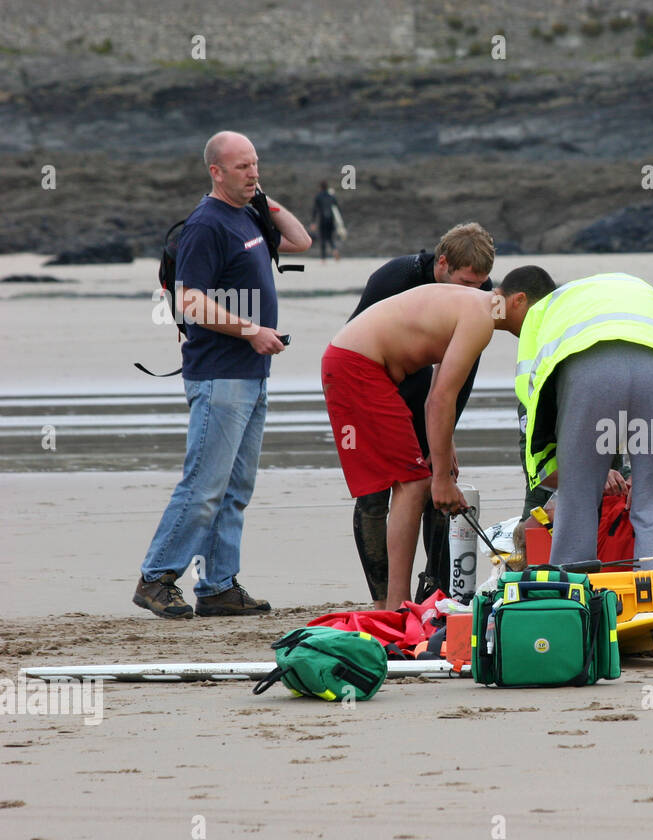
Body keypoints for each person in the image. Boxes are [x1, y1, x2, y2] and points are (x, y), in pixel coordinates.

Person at [133, 130, 312, 619]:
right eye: (241, 167)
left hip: (251, 373)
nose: (253, 172)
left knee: (235, 489)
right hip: (218, 375)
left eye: (255, 164)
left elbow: (301, 240)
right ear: (216, 172)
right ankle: (155, 577)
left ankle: (217, 586)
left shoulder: (248, 213)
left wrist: (266, 200)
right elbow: (190, 300)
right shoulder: (206, 225)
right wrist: (252, 329)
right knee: (204, 486)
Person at [323, 266, 554, 610]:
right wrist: (442, 481)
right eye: (538, 316)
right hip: (358, 366)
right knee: (414, 484)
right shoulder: (481, 318)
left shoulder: (475, 305)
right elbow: (440, 400)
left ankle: (395, 605)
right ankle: (397, 608)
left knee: (415, 481)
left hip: (366, 366)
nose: (539, 329)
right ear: (518, 300)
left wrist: (442, 449)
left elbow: (436, 382)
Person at [517, 273, 653, 611]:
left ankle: (572, 610)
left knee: (578, 498)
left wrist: (549, 466)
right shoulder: (648, 295)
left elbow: (531, 395)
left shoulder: (543, 310)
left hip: (589, 371)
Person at [346, 224, 495, 607]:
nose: (472, 294)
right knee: (376, 495)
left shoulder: (479, 292)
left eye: (479, 286)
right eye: (464, 283)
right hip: (378, 384)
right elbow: (357, 345)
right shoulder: (395, 278)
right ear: (442, 263)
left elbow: (461, 374)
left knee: (436, 479)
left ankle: (433, 588)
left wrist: (443, 439)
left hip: (429, 394)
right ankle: (382, 599)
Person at [309, 181, 343, 261]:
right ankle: (335, 250)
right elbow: (337, 209)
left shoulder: (318, 196)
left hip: (322, 219)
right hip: (331, 220)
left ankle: (323, 258)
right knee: (330, 238)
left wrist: (313, 222)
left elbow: (315, 210)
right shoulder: (331, 196)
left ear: (320, 187)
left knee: (323, 238)